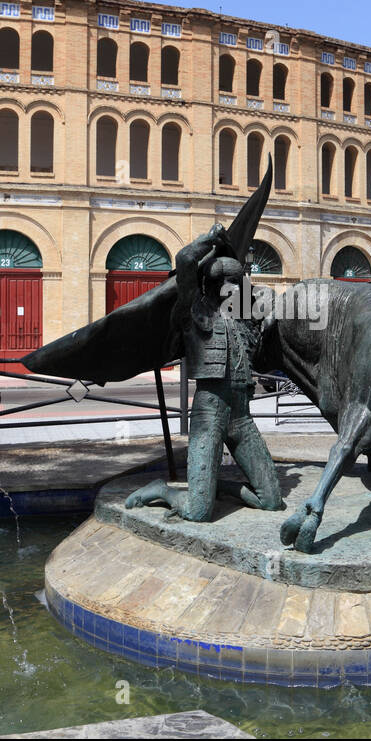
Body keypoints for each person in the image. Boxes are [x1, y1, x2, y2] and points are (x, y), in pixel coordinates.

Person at [125, 223, 284, 521]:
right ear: (212, 286)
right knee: (198, 513)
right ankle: (165, 491)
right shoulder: (194, 310)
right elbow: (185, 260)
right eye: (229, 283)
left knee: (272, 501)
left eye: (238, 282)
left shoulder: (243, 320)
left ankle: (210, 486)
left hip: (241, 417)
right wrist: (209, 240)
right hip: (209, 415)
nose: (236, 288)